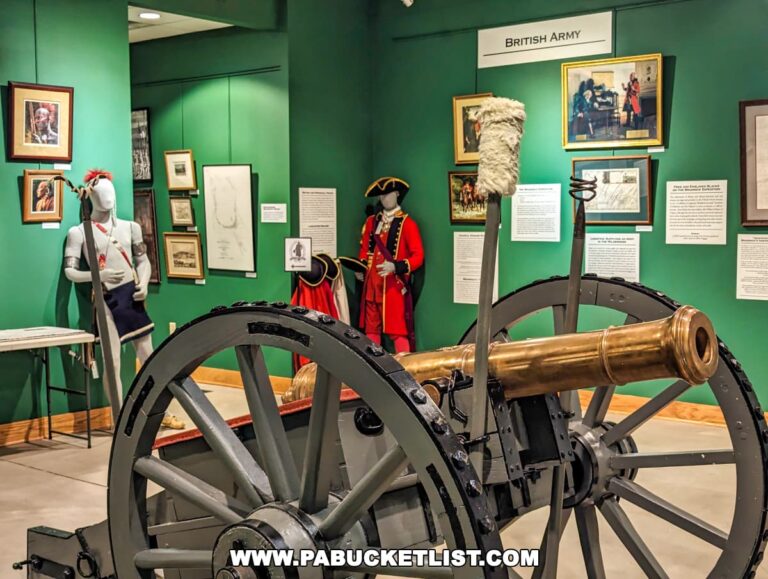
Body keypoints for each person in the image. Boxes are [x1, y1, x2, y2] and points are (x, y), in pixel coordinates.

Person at [63, 169, 184, 429]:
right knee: (112, 360)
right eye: (101, 193)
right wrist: (98, 274)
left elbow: (143, 261)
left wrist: (142, 283)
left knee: (148, 356)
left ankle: (157, 412)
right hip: (106, 297)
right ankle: (119, 419)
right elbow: (70, 271)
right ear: (91, 196)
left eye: (110, 193)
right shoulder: (79, 233)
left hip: (132, 294)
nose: (108, 198)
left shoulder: (131, 227)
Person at [357, 177, 424, 353]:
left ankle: (405, 372)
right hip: (372, 285)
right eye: (381, 195)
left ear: (396, 194)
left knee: (398, 332)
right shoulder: (372, 222)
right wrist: (361, 266)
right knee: (371, 330)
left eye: (388, 194)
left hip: (393, 287)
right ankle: (375, 370)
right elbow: (365, 249)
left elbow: (418, 256)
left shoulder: (407, 224)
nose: (384, 198)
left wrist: (397, 267)